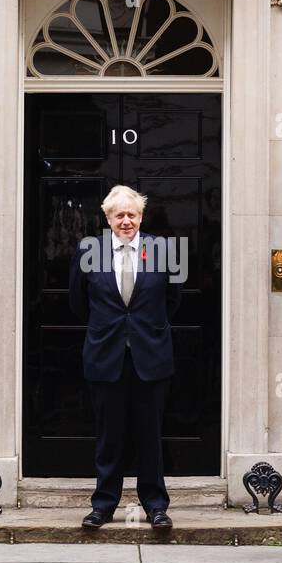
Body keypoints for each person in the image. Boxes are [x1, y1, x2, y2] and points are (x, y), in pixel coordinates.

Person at [68, 185, 181, 531]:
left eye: (132, 214)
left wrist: (146, 330)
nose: (127, 221)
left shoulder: (162, 250)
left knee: (150, 435)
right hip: (105, 356)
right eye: (120, 215)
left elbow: (174, 299)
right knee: (109, 436)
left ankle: (156, 505)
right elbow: (77, 301)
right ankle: (103, 504)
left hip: (151, 356)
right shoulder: (90, 250)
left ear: (141, 216)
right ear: (108, 218)